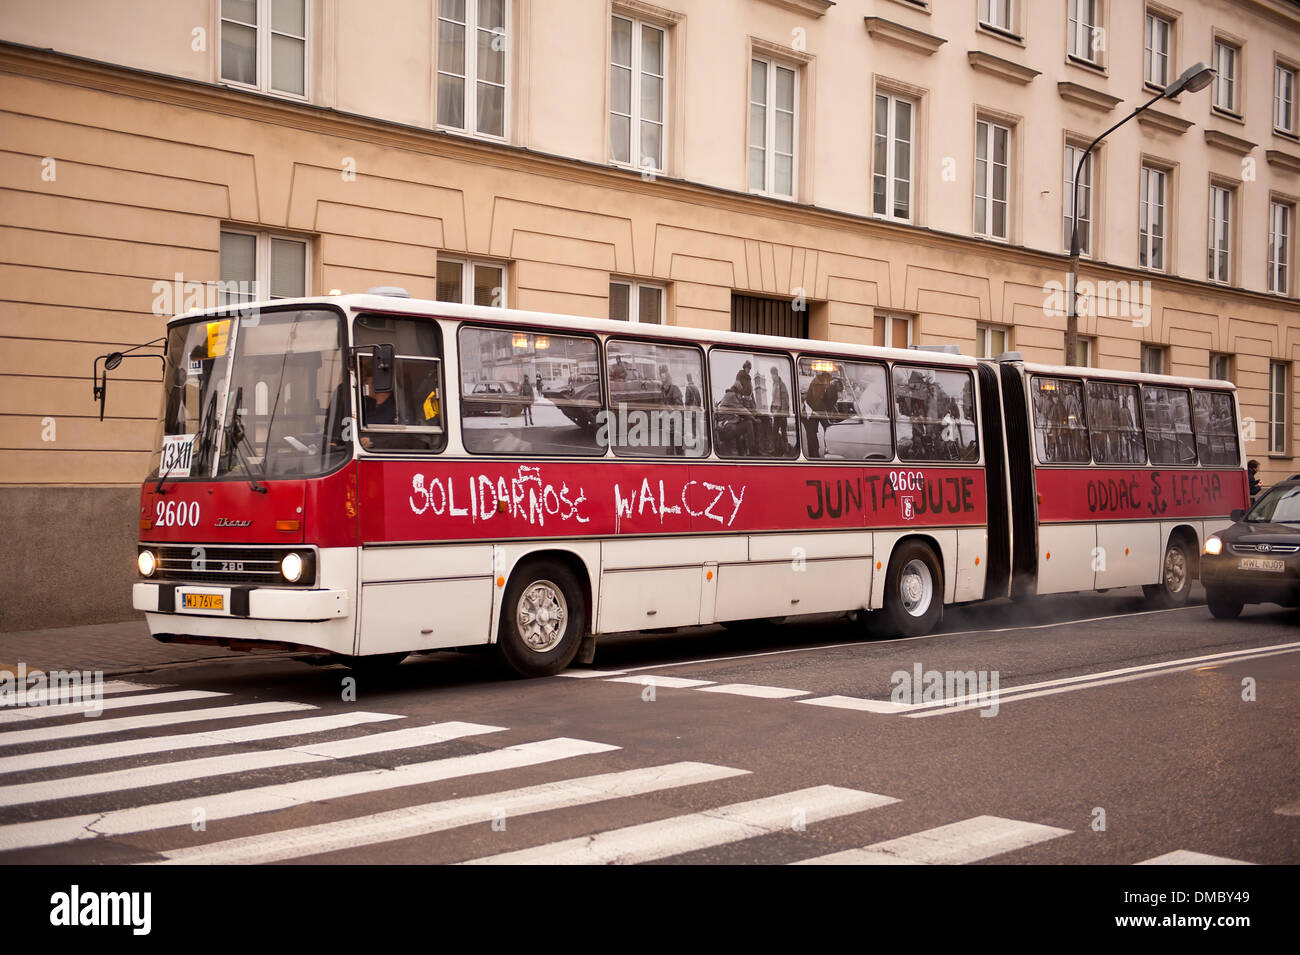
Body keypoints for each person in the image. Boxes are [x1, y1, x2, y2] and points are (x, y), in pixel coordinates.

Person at [769, 365, 791, 454]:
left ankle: (785, 450)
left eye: (772, 374)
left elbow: (785, 399)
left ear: (776, 374)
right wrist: (771, 406)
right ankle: (775, 449)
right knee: (774, 432)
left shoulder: (782, 385)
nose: (771, 376)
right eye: (771, 374)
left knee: (783, 432)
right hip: (776, 413)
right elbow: (774, 398)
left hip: (781, 413)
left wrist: (783, 413)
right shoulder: (774, 384)